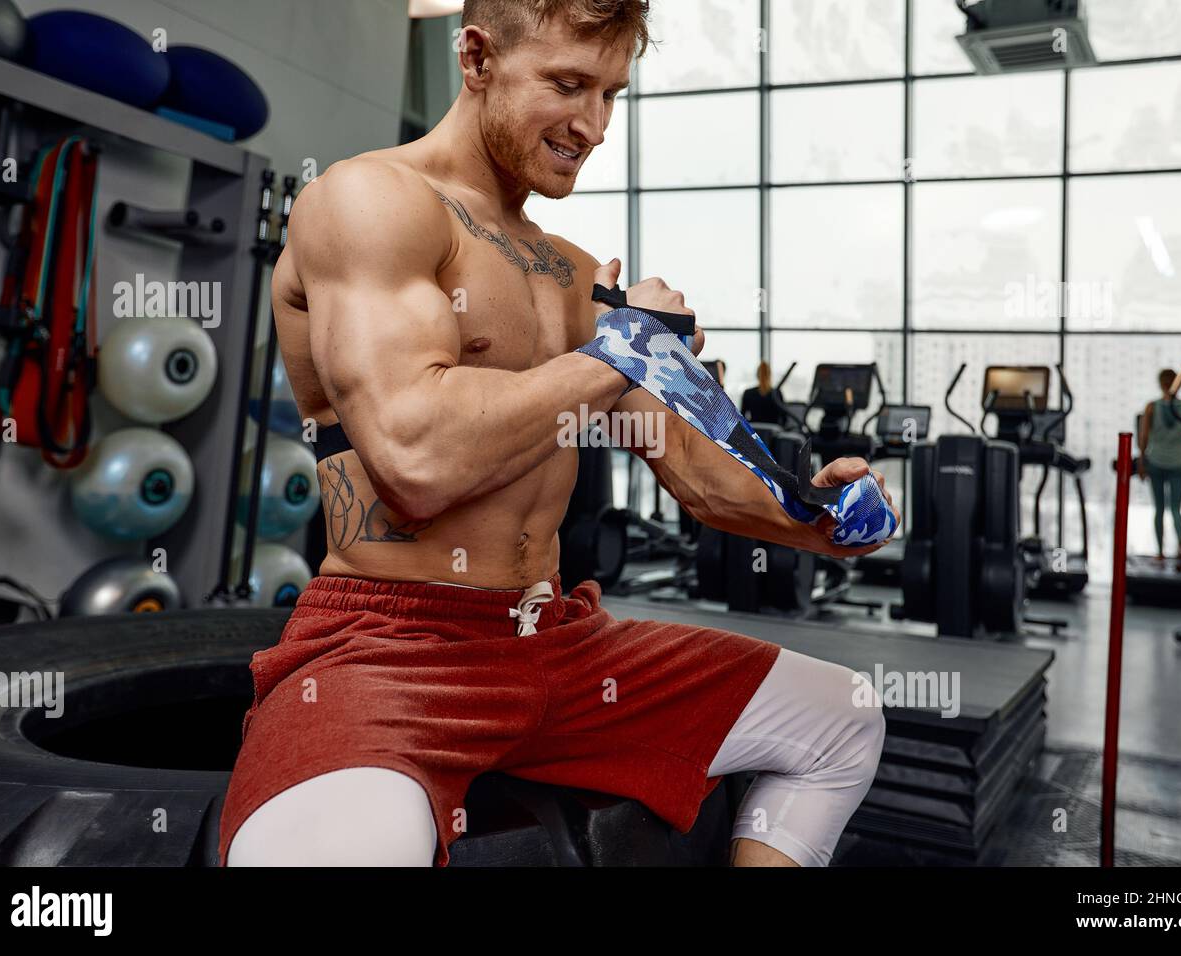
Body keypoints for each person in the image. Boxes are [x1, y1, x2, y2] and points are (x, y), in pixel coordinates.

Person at [218, 0, 898, 869]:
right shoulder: (369, 201)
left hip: (557, 642)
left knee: (842, 719)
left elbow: (696, 476)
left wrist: (822, 518)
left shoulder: (573, 274)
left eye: (611, 93)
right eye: (569, 85)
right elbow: (415, 460)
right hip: (392, 650)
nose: (594, 125)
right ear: (475, 57)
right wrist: (625, 346)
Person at [1138, 368, 1181, 568]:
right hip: (1175, 463)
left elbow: (1143, 438)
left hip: (1160, 462)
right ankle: (1176, 550)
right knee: (1174, 509)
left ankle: (1163, 553)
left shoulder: (1152, 408)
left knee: (1162, 509)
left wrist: (1141, 462)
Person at [741, 360, 786, 426]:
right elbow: (784, 418)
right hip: (773, 432)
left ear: (757, 375)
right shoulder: (777, 393)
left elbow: (742, 417)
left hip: (755, 430)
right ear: (769, 375)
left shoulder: (748, 393)